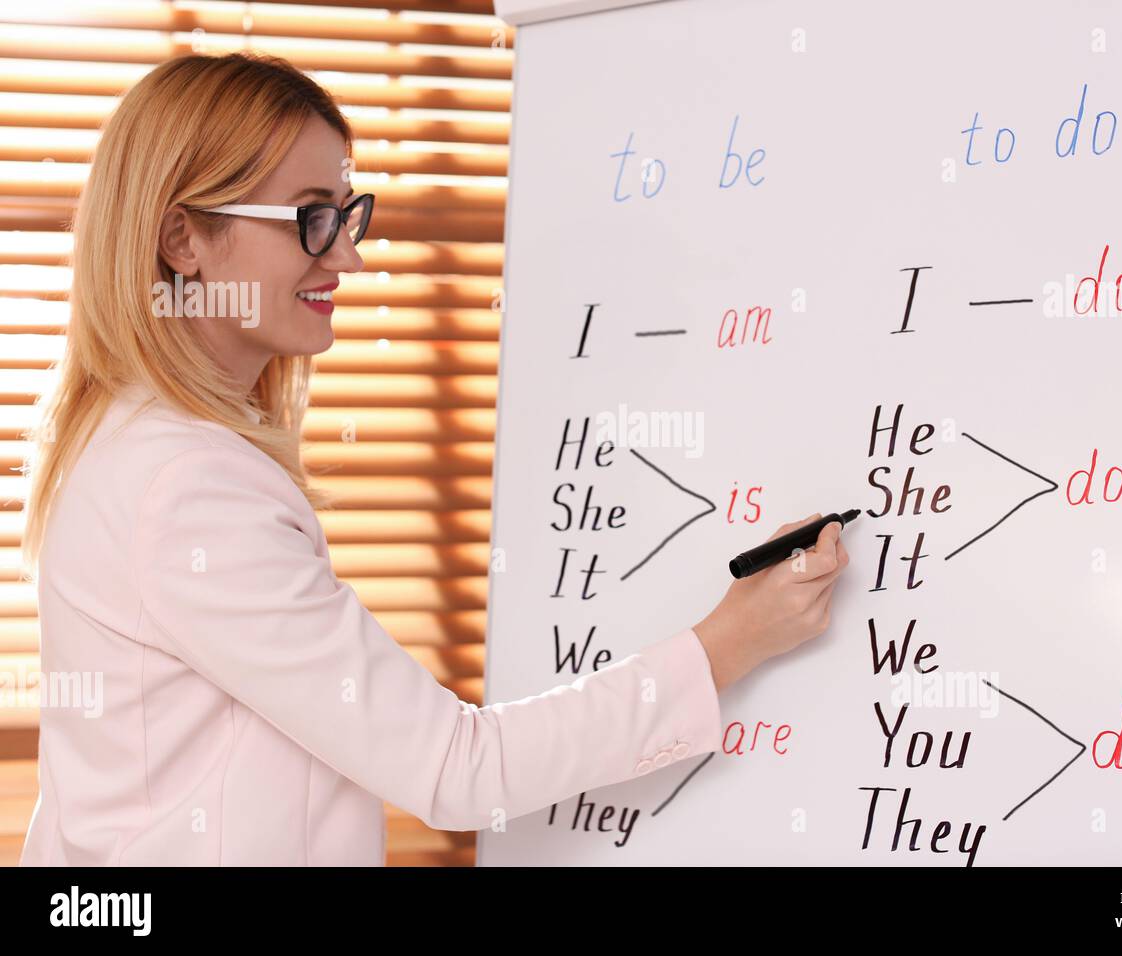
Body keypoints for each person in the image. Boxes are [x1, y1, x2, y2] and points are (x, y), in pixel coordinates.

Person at [16, 52, 849, 866]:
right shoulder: (186, 487)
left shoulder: (118, 439)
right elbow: (456, 770)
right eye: (311, 217)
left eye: (348, 214)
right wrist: (729, 643)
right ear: (182, 239)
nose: (347, 256)